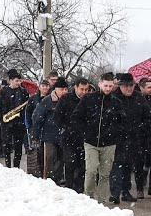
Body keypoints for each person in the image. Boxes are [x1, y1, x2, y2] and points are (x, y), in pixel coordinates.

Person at [73, 73, 128, 205]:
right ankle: (88, 196)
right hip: (91, 142)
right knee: (91, 170)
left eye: (110, 86)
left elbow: (123, 122)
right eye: (105, 85)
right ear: (99, 84)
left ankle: (102, 200)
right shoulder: (88, 99)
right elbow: (76, 117)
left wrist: (115, 133)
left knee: (105, 174)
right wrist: (85, 132)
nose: (108, 88)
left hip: (109, 144)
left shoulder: (116, 102)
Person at [110, 73, 141, 203]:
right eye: (126, 86)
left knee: (128, 165)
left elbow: (146, 115)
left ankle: (126, 191)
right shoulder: (114, 98)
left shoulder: (138, 97)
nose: (129, 88)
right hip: (117, 138)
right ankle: (115, 193)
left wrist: (140, 128)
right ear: (120, 86)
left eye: (131, 86)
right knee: (117, 166)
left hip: (134, 137)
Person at [56, 77, 90, 193]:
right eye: (82, 89)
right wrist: (66, 127)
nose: (84, 92)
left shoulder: (89, 99)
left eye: (86, 89)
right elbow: (57, 117)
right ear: (75, 87)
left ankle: (79, 189)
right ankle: (69, 187)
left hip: (83, 137)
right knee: (70, 162)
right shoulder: (66, 99)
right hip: (68, 137)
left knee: (82, 164)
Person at [0, 69, 30, 169]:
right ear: (10, 80)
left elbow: (26, 108)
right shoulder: (3, 91)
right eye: (16, 81)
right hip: (6, 122)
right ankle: (7, 165)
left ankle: (16, 166)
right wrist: (1, 119)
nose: (19, 83)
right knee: (6, 145)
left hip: (19, 123)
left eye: (20, 81)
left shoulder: (23, 91)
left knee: (18, 146)